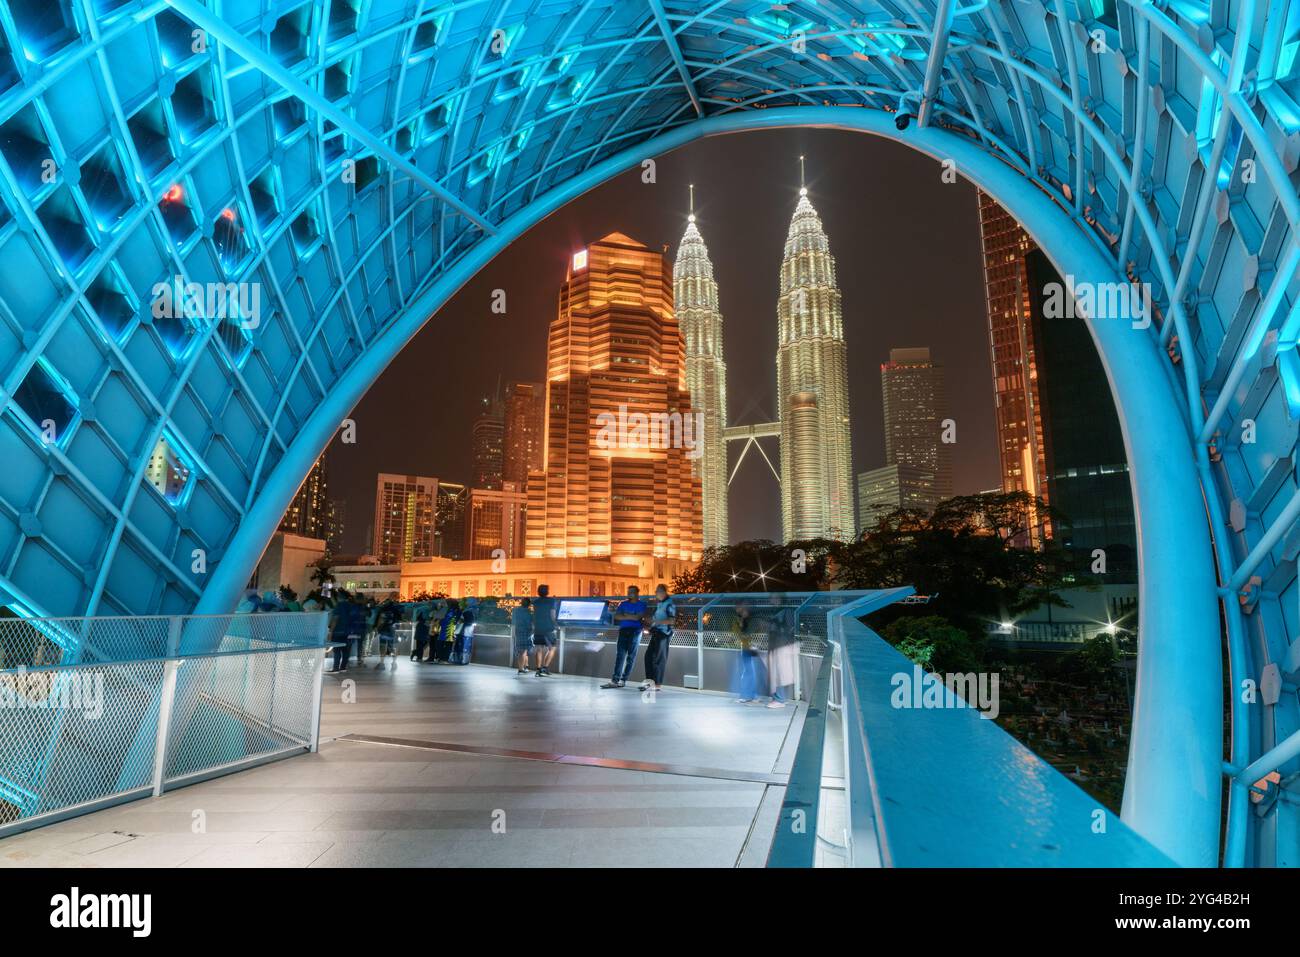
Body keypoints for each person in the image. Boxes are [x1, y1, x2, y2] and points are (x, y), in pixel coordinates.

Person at [602, 585, 647, 689]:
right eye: (628, 591)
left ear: (636, 593)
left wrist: (625, 615)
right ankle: (615, 680)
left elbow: (637, 618)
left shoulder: (641, 604)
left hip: (635, 631)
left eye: (631, 592)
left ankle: (623, 680)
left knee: (631, 657)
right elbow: (617, 616)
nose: (629, 593)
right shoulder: (623, 603)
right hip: (623, 631)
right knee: (620, 656)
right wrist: (632, 615)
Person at [640, 584, 676, 692]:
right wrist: (649, 626)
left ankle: (657, 684)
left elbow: (671, 620)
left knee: (659, 659)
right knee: (648, 657)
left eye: (658, 591)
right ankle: (650, 682)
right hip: (656, 632)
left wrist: (655, 622)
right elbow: (656, 619)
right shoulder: (660, 604)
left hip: (664, 634)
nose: (656, 593)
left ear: (663, 592)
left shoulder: (669, 604)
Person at [765, 597, 799, 708]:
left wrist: (777, 626)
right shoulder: (777, 611)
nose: (772, 600)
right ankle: (779, 698)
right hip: (776, 645)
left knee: (779, 673)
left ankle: (780, 699)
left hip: (781, 646)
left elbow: (790, 627)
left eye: (775, 597)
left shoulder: (785, 611)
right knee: (777, 672)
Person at [731, 599, 763, 703]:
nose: (738, 609)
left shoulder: (747, 619)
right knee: (748, 672)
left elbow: (751, 632)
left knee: (750, 672)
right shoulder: (740, 620)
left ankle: (750, 695)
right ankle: (746, 695)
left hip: (749, 648)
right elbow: (741, 634)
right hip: (746, 648)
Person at [531, 585, 559, 677]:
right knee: (552, 648)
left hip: (538, 628)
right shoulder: (552, 601)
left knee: (539, 649)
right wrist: (556, 624)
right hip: (548, 628)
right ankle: (545, 667)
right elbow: (553, 615)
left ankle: (538, 670)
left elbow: (535, 615)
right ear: (547, 591)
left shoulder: (535, 602)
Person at [328, 592, 354, 673]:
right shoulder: (351, 606)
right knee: (346, 650)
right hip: (349, 631)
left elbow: (335, 619)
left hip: (338, 630)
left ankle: (336, 668)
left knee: (337, 650)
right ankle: (343, 667)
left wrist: (331, 631)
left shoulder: (339, 606)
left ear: (339, 597)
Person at [374, 595, 399, 664]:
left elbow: (380, 621)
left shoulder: (383, 611)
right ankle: (394, 661)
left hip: (384, 630)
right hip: (391, 630)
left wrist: (377, 628)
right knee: (391, 646)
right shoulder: (395, 610)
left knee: (382, 645)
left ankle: (382, 661)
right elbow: (397, 621)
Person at [512, 597, 534, 674]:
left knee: (520, 651)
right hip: (526, 632)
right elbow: (531, 623)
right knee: (524, 651)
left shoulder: (516, 610)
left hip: (518, 632)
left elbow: (513, 623)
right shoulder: (529, 612)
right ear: (528, 605)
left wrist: (513, 633)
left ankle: (522, 667)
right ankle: (521, 668)